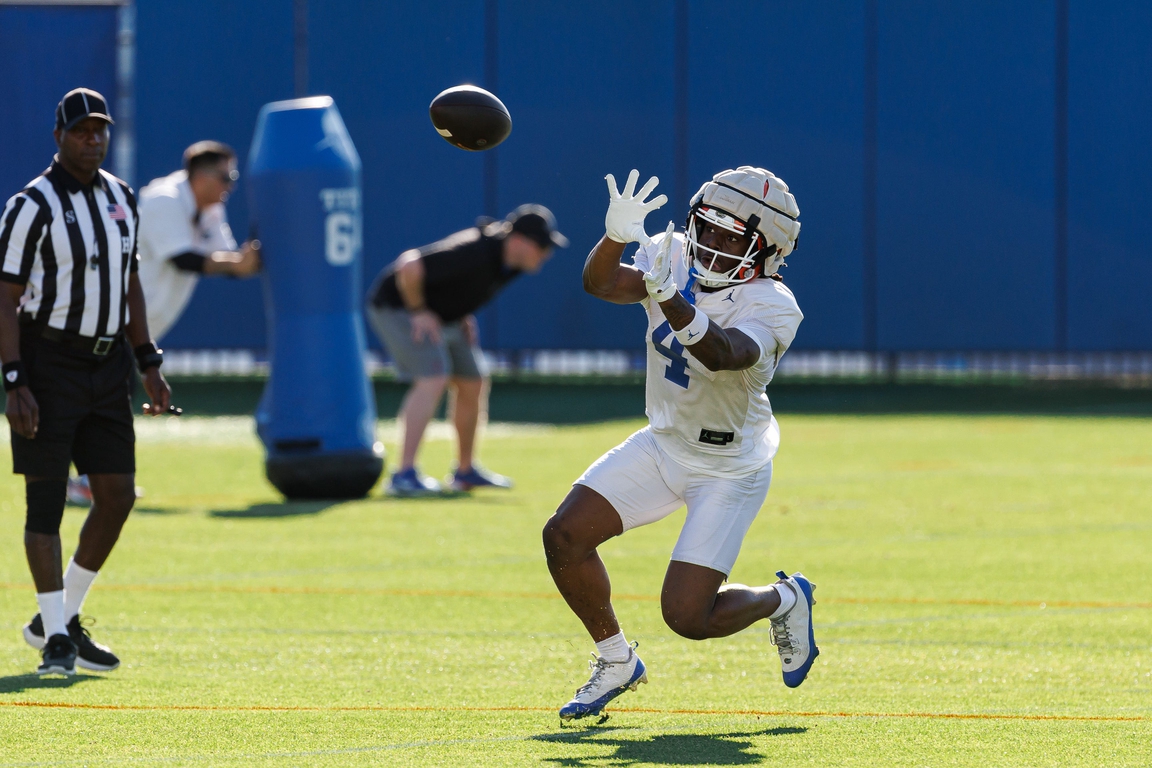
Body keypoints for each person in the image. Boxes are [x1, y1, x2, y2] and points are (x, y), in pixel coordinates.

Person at [542, 167, 816, 721]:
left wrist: (668, 294)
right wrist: (615, 235)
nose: (711, 244)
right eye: (706, 228)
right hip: (664, 443)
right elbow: (599, 283)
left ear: (767, 250)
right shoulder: (673, 254)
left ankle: (784, 599)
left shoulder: (774, 303)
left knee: (687, 618)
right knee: (565, 535)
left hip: (729, 467)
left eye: (729, 236)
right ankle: (615, 660)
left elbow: (723, 353)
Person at [0, 88, 172, 676]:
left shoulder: (122, 197)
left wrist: (147, 360)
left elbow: (130, 286)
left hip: (106, 367)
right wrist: (14, 378)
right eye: (80, 130)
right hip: (48, 362)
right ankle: (55, 642)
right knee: (45, 501)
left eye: (99, 129)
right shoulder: (32, 205)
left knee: (117, 494)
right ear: (58, 137)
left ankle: (60, 620)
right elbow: (5, 298)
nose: (91, 139)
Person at [63, 142, 260, 506]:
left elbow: (228, 262)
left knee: (111, 400)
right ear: (200, 177)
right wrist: (239, 263)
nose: (230, 185)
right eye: (225, 176)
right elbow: (185, 260)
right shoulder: (164, 200)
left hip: (137, 328)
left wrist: (250, 258)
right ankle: (86, 480)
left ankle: (94, 479)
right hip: (107, 316)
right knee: (100, 401)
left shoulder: (210, 210)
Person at [367, 205, 567, 496]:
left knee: (473, 380)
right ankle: (403, 475)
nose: (546, 254)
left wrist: (460, 312)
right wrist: (418, 310)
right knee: (433, 378)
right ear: (519, 241)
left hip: (443, 315)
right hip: (398, 307)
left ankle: (465, 472)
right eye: (541, 246)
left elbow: (458, 286)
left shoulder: (512, 262)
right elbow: (408, 266)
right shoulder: (474, 250)